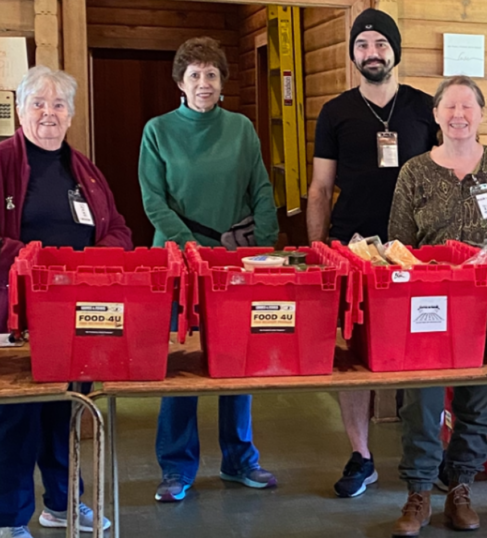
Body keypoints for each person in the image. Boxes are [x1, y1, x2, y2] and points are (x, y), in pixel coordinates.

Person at [387, 75, 487, 537]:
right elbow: (397, 242)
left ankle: (460, 488)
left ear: (480, 115)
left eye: (467, 107)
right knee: (422, 401)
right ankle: (418, 494)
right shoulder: (415, 171)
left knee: (478, 399)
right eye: (449, 107)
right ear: (435, 115)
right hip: (427, 305)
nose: (458, 115)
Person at [139, 36, 279, 502]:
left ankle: (240, 460)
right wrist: (190, 246)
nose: (204, 83)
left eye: (212, 74)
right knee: (180, 365)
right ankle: (176, 469)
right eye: (195, 75)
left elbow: (260, 187)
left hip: (233, 265)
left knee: (237, 362)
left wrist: (265, 242)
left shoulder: (241, 128)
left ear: (222, 83)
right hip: (178, 263)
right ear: (180, 82)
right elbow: (153, 201)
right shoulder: (157, 130)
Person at [306, 8, 438, 499]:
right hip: (351, 250)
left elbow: (448, 175)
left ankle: (422, 459)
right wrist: (319, 250)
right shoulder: (335, 111)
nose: (372, 53)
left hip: (414, 253)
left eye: (381, 44)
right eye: (363, 45)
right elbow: (320, 188)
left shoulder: (425, 108)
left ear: (395, 51)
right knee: (353, 356)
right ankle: (361, 455)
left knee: (420, 352)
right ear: (354, 54)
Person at [0, 66, 127, 537]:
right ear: (20, 109)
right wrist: (33, 260)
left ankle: (62, 503)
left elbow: (118, 228)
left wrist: (95, 260)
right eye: (38, 104)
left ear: (71, 115)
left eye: (58, 106)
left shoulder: (84, 168)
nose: (48, 114)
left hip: (75, 312)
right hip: (16, 312)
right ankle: (10, 520)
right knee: (16, 419)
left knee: (66, 411)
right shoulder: (3, 161)